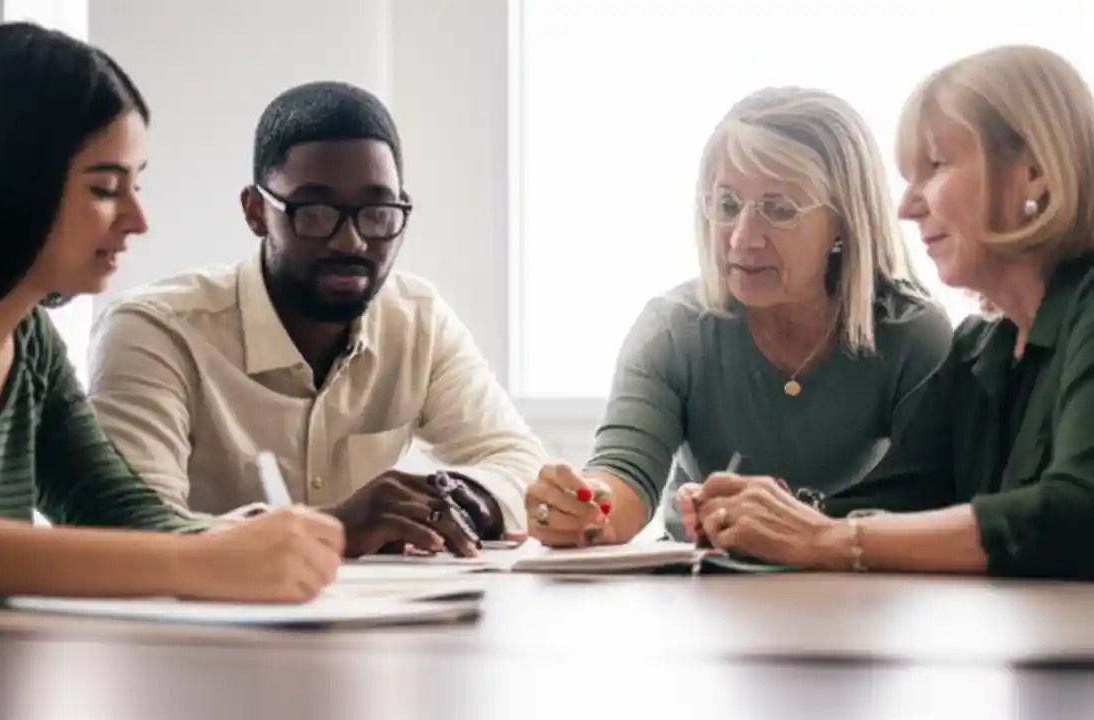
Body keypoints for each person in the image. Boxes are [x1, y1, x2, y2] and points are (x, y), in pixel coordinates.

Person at [0, 23, 343, 604]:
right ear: (11, 183)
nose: (138, 220)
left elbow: (114, 506)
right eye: (105, 188)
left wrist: (272, 551)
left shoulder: (29, 340)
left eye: (136, 184)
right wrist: (198, 559)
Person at [88, 81, 546, 558]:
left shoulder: (416, 320)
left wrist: (458, 498)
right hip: (202, 629)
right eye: (315, 212)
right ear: (256, 211)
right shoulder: (155, 331)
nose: (351, 242)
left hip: (382, 622)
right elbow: (131, 531)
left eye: (377, 212)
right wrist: (335, 527)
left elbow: (521, 463)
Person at [687, 45, 1094, 579]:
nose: (907, 207)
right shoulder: (980, 348)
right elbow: (898, 502)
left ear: (1035, 171)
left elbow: (1079, 515)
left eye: (936, 167)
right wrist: (757, 521)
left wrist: (828, 537)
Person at [526, 87, 953, 548]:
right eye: (727, 204)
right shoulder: (673, 330)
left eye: (779, 210)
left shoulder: (911, 333)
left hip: (862, 586)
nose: (742, 239)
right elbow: (623, 474)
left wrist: (802, 526)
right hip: (701, 590)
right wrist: (585, 507)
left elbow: (931, 502)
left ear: (843, 224)